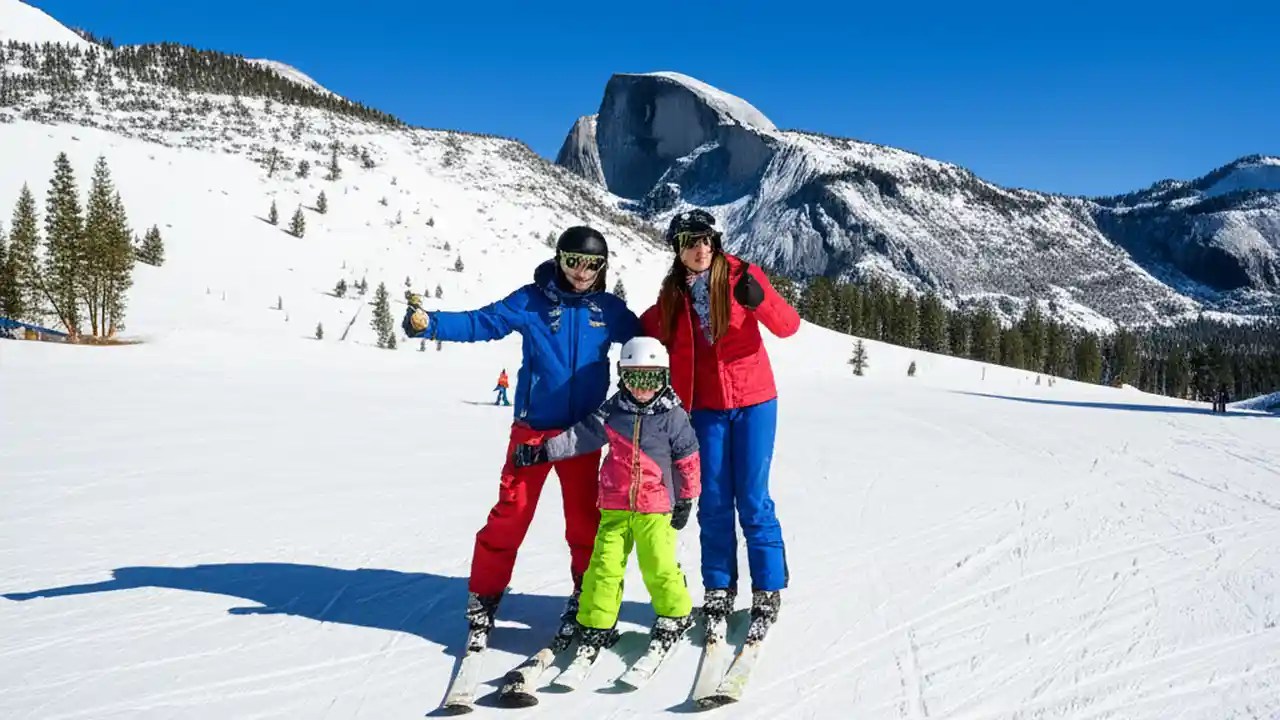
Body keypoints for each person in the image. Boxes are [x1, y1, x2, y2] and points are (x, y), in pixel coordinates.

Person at [402, 226, 638, 649]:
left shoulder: (609, 309)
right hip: (531, 433)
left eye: (592, 264)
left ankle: (589, 596)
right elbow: (483, 321)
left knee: (586, 521)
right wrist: (430, 325)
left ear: (603, 268)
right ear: (559, 259)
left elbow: (649, 341)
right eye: (573, 261)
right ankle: (485, 593)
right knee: (512, 513)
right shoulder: (531, 300)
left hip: (583, 435)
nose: (582, 272)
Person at [639, 208, 800, 644]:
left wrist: (760, 299)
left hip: (755, 402)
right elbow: (646, 331)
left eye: (707, 239)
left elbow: (789, 326)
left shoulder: (743, 276)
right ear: (677, 248)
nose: (701, 248)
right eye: (691, 241)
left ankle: (767, 587)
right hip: (706, 409)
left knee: (752, 498)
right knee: (712, 500)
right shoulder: (673, 294)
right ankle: (718, 587)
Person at [513, 336, 701, 661]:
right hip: (615, 507)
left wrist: (686, 498)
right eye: (635, 378)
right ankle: (596, 623)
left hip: (655, 509)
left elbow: (688, 459)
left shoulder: (674, 416)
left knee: (659, 564)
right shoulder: (612, 411)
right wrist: (543, 451)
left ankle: (675, 613)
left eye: (651, 379)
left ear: (664, 377)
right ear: (622, 375)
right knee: (603, 568)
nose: (643, 389)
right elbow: (579, 437)